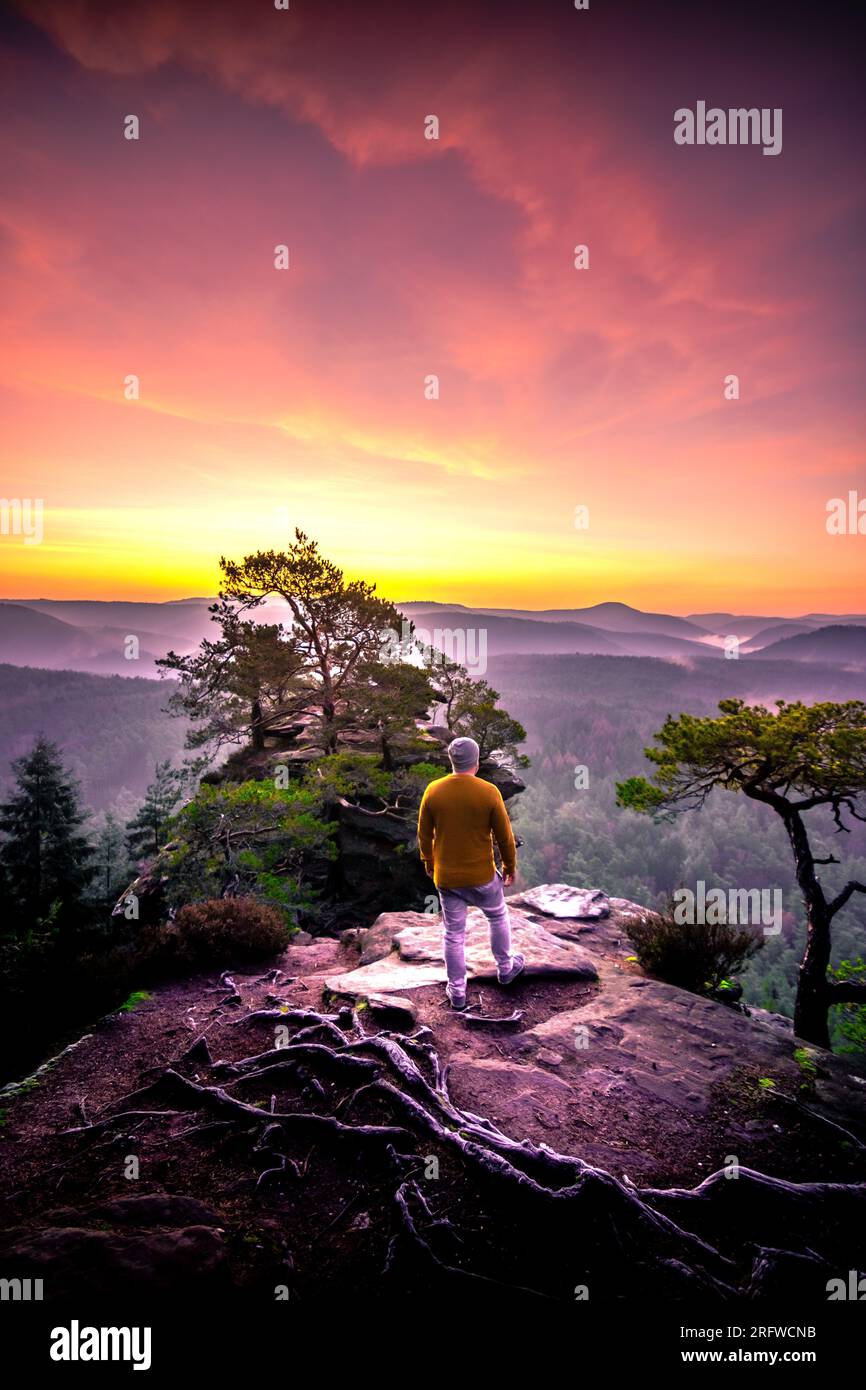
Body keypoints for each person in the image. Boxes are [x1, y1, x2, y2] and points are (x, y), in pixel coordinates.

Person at [417, 735, 525, 1010]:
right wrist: (509, 868)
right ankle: (505, 968)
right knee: (498, 914)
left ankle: (457, 991)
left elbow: (424, 834)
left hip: (448, 879)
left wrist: (429, 862)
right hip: (481, 877)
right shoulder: (488, 792)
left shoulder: (434, 790)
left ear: (451, 761)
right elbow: (505, 836)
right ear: (476, 763)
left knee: (453, 934)